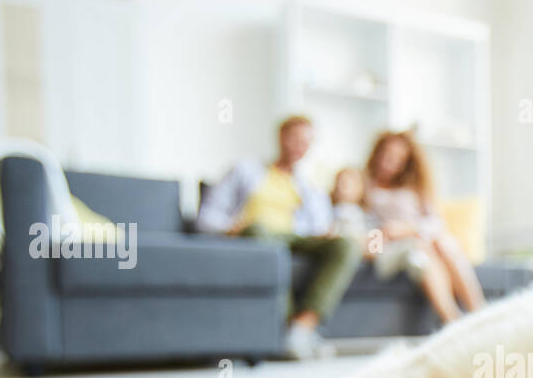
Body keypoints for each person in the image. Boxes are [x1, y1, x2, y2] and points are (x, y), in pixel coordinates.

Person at [196, 115, 359, 358]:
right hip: (256, 233)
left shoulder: (310, 188)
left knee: (346, 245)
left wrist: (328, 232)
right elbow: (206, 216)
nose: (300, 147)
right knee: (260, 230)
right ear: (281, 137)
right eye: (295, 139)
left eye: (306, 143)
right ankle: (286, 326)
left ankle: (302, 328)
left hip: (296, 237)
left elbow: (321, 227)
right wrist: (229, 227)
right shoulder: (244, 170)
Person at [363, 131, 485, 323]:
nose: (388, 161)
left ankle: (479, 313)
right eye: (386, 154)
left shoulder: (414, 189)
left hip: (422, 239)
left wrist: (410, 229)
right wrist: (387, 233)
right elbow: (363, 230)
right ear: (377, 152)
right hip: (394, 247)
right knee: (423, 254)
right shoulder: (365, 187)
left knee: (443, 243)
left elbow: (436, 223)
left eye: (397, 158)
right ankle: (452, 320)